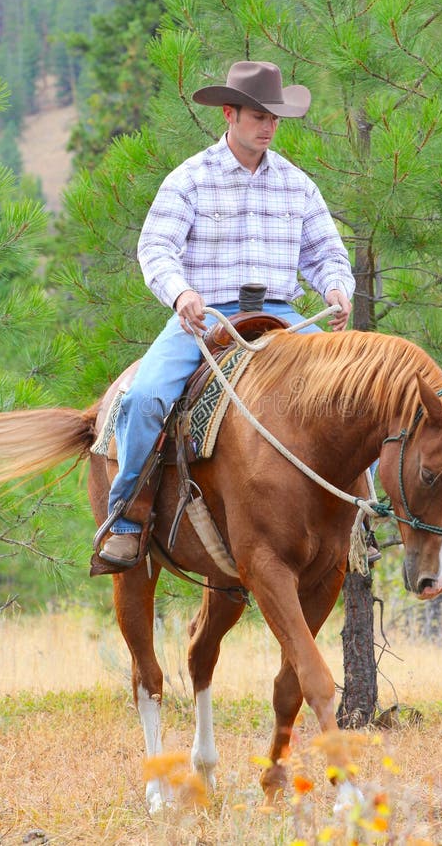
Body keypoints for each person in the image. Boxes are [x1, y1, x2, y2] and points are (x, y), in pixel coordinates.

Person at [97, 60, 356, 570]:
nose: (268, 126)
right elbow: (156, 248)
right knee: (145, 398)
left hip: (282, 318)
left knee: (348, 398)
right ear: (229, 114)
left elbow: (327, 253)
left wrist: (335, 287)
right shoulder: (190, 179)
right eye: (258, 116)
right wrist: (181, 294)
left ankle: (359, 519)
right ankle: (127, 516)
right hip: (207, 318)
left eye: (274, 117)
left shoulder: (297, 185)